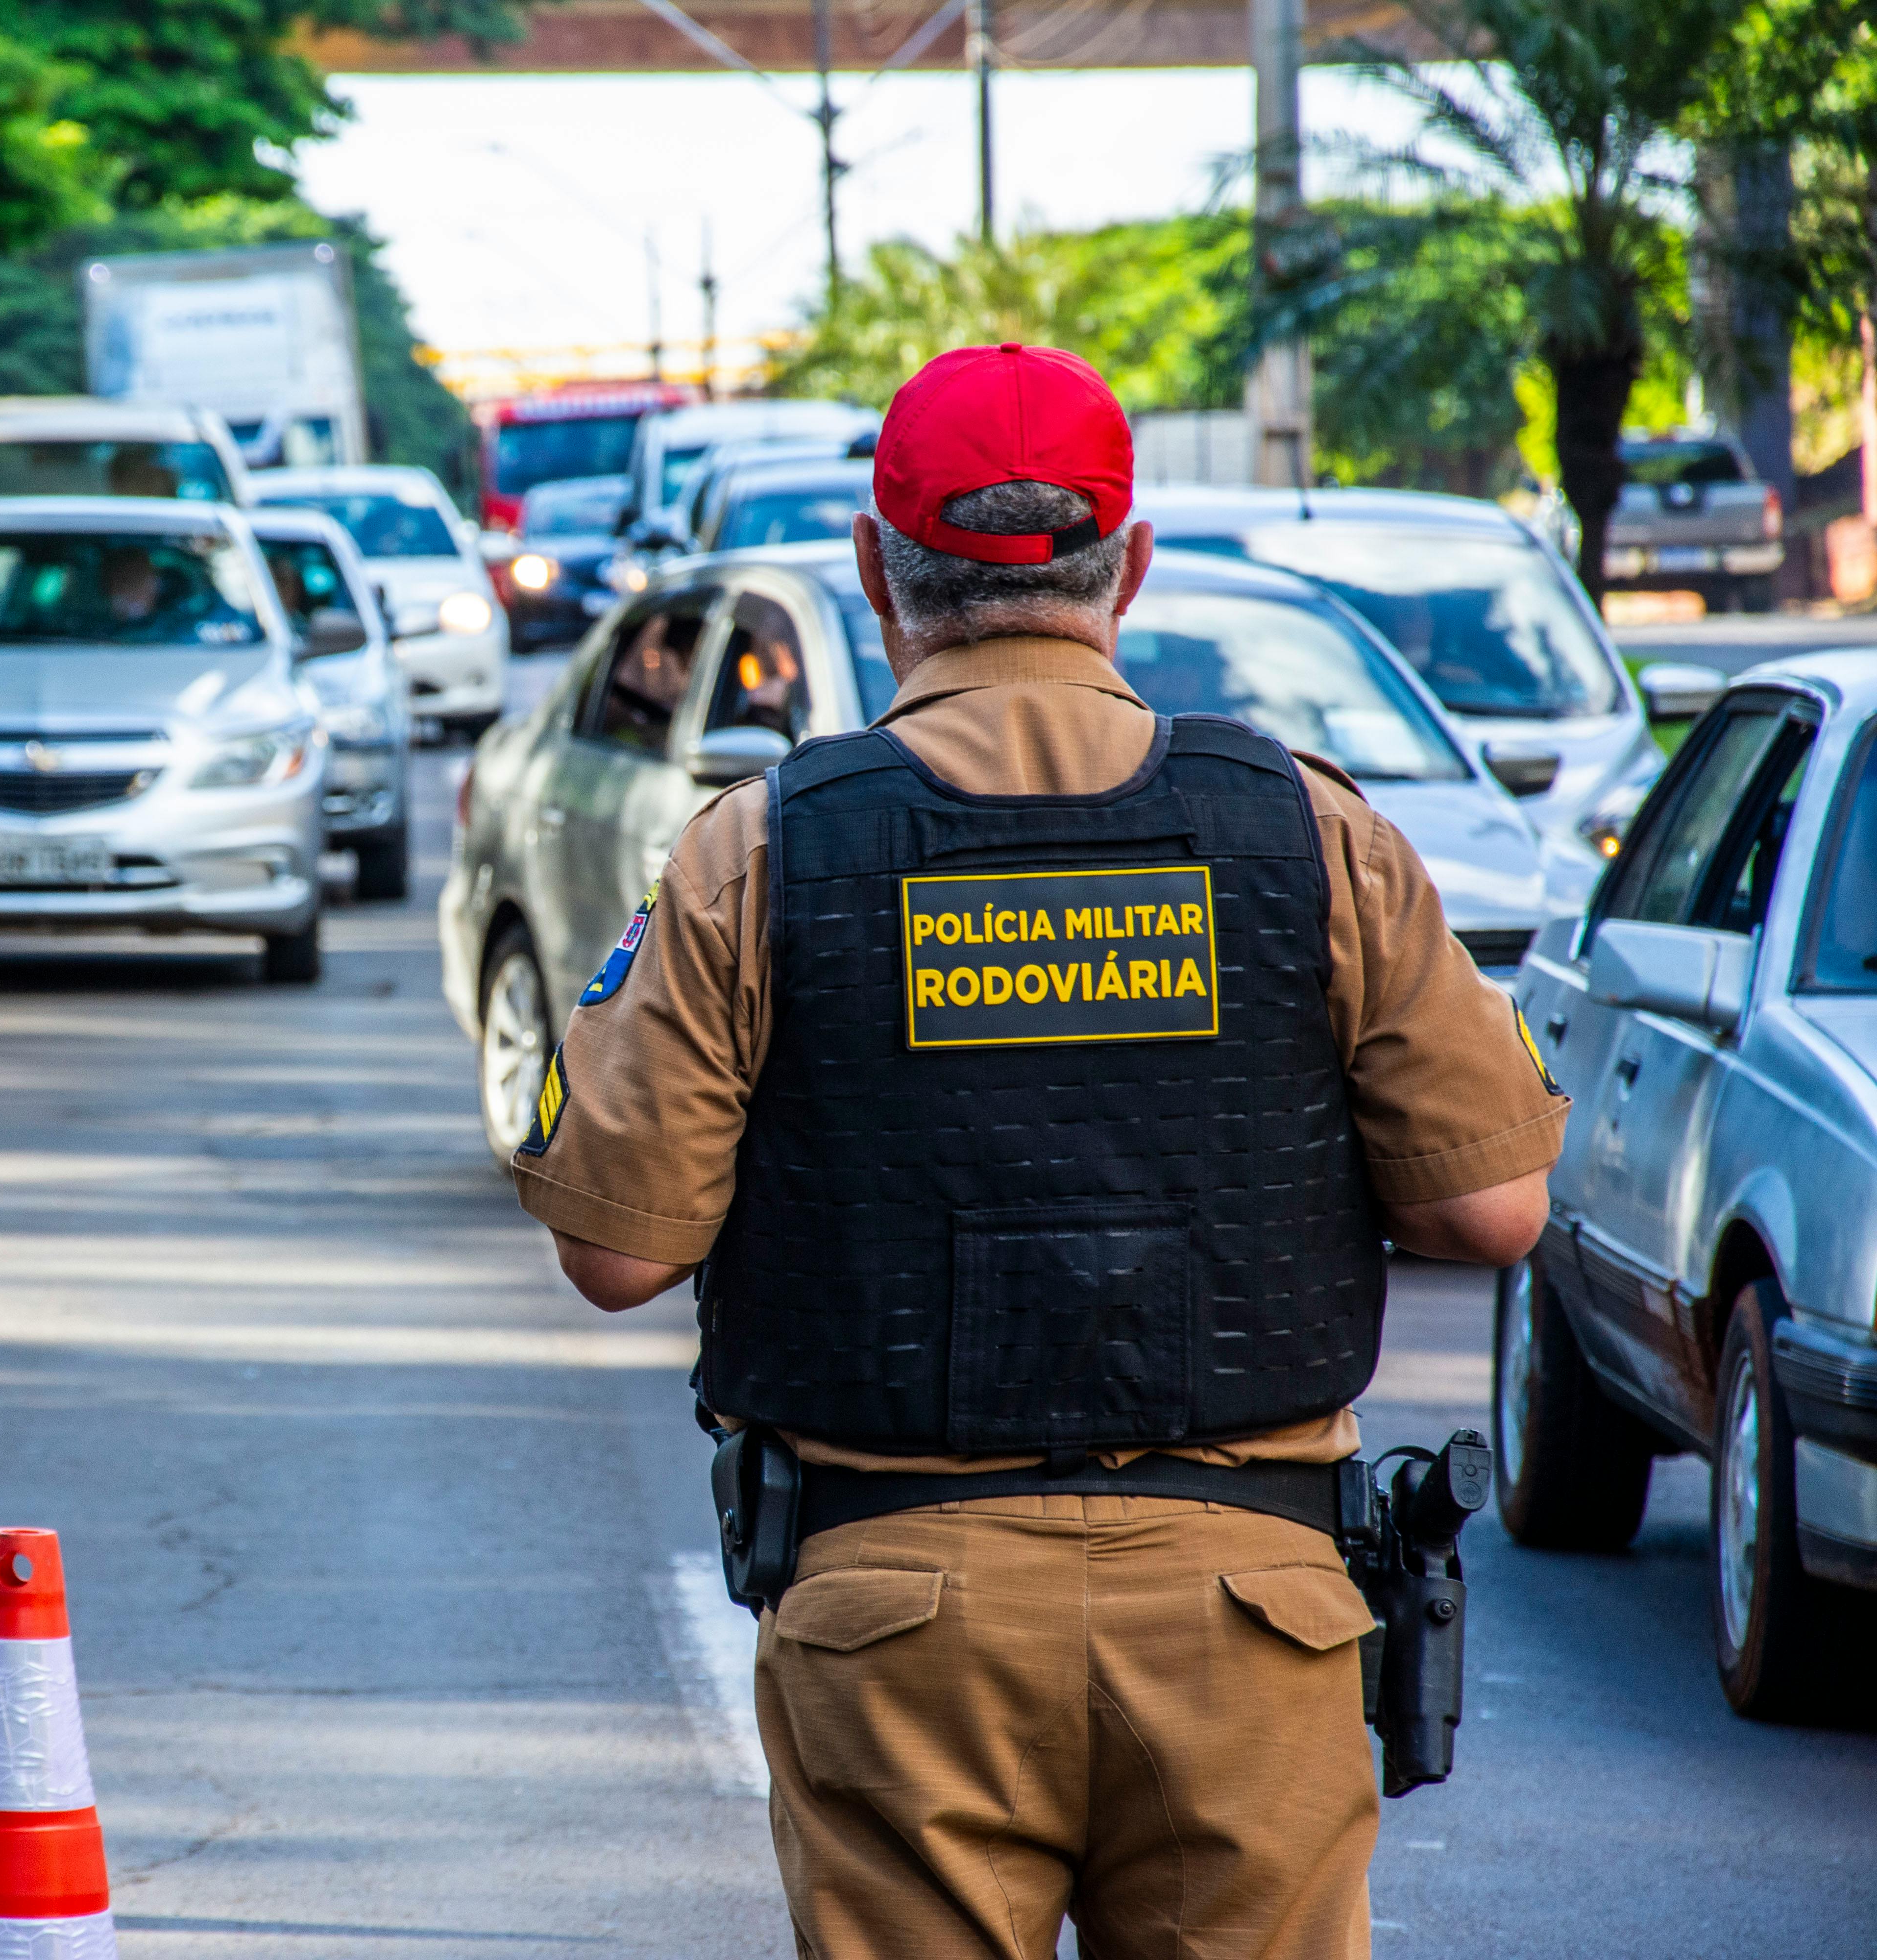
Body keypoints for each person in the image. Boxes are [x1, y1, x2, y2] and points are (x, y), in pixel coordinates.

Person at [509, 343, 1569, 1959]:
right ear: (1131, 563)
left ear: (874, 566)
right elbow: (1494, 1206)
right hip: (1251, 1610)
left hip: (896, 1623)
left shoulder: (765, 849)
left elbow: (617, 1249)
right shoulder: (1312, 829)